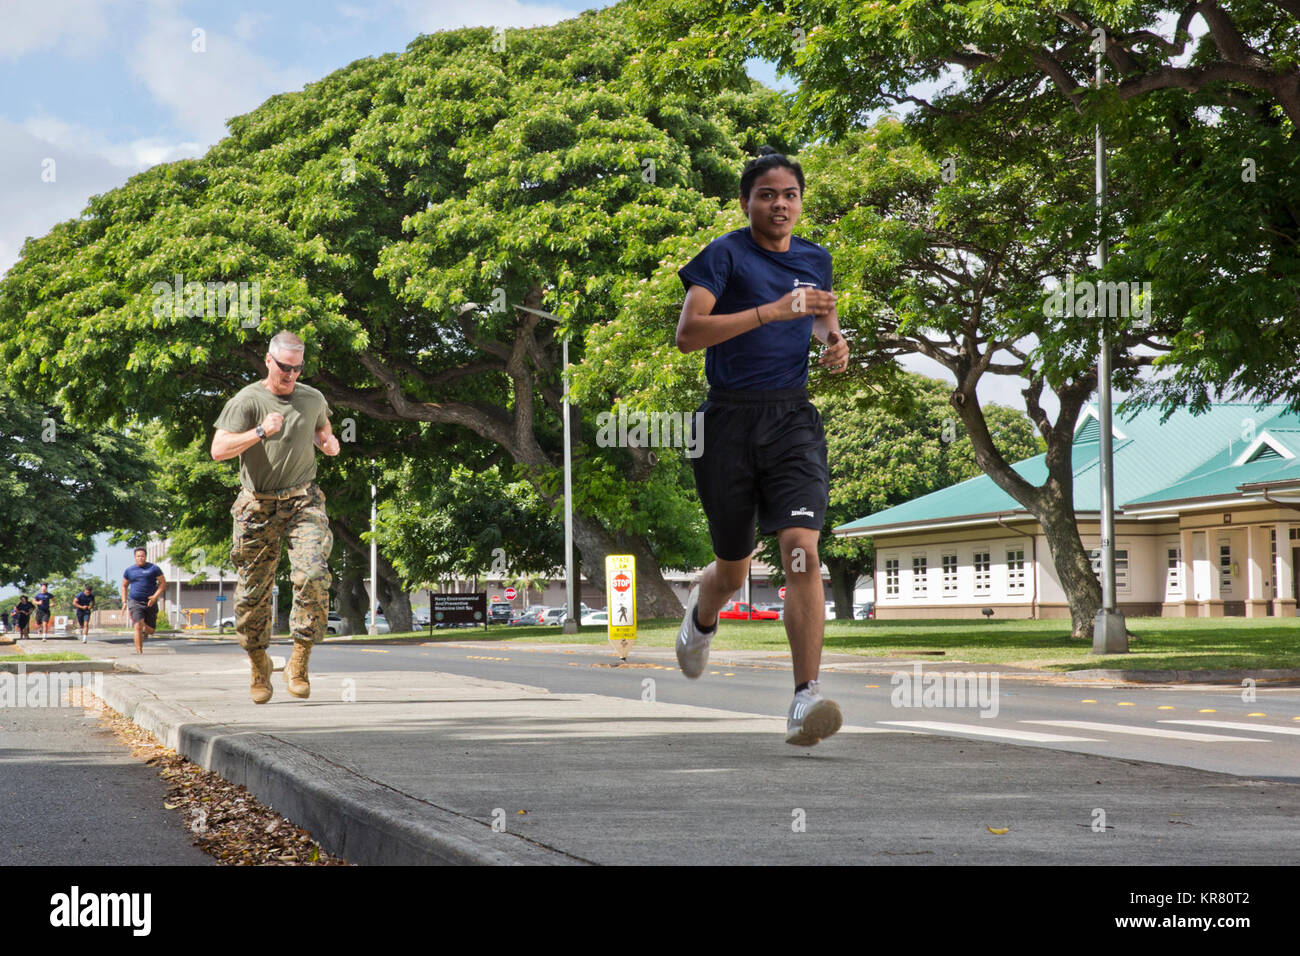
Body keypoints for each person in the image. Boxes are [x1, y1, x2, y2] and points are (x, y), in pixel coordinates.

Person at [674, 147, 850, 747]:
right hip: (726, 421)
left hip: (792, 418)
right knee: (732, 566)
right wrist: (770, 312)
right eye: (767, 194)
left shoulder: (815, 258)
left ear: (801, 202)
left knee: (801, 547)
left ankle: (806, 698)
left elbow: (820, 315)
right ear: (747, 201)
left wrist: (835, 341)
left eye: (790, 194)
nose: (779, 204)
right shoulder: (724, 256)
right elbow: (688, 335)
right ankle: (702, 613)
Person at [210, 331, 339, 704]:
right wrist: (259, 431)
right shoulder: (247, 400)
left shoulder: (312, 397)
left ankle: (299, 660)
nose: (291, 375)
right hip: (257, 507)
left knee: (313, 574)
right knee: (252, 595)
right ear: (268, 361)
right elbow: (218, 450)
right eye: (285, 367)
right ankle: (259, 666)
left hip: (303, 502)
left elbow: (321, 428)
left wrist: (327, 442)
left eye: (297, 368)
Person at [121, 548, 166, 653]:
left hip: (150, 601)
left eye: (142, 556)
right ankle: (139, 652)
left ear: (145, 556)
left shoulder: (154, 568)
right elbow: (124, 586)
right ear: (135, 557)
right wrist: (124, 601)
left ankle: (145, 629)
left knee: (151, 631)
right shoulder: (129, 570)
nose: (140, 558)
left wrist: (155, 597)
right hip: (135, 601)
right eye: (138, 556)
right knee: (137, 626)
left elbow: (163, 583)